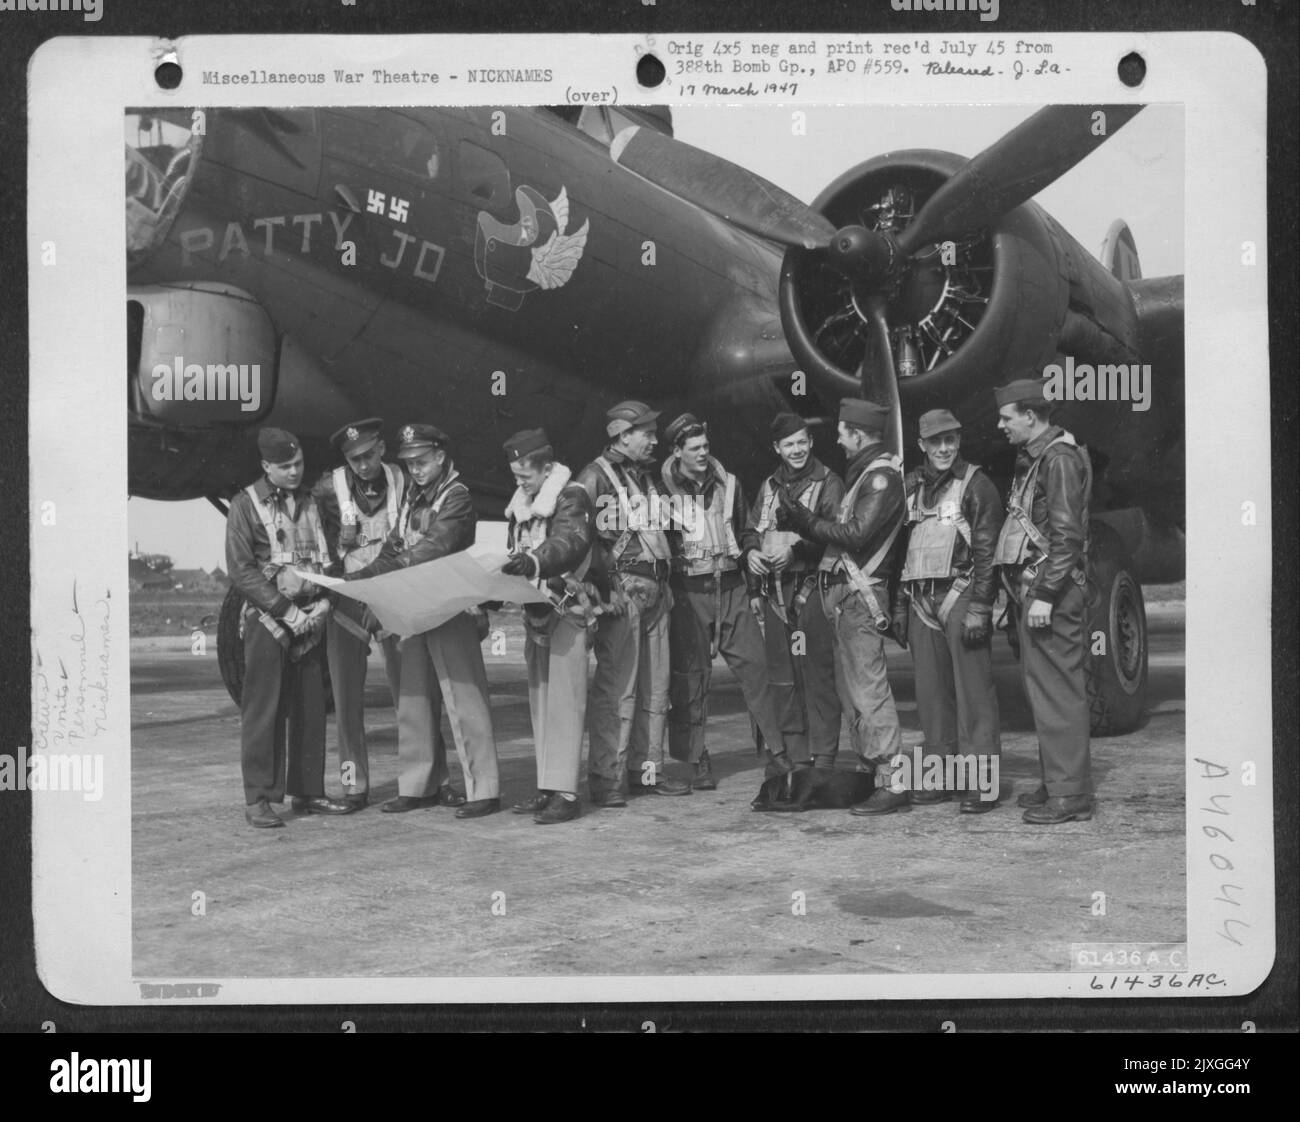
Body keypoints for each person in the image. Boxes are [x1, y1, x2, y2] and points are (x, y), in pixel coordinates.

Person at [347, 423, 501, 818]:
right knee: (412, 699)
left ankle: (483, 789)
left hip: (451, 608)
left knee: (464, 699)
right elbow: (394, 546)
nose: (414, 469)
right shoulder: (415, 499)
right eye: (409, 463)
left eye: (421, 461)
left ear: (440, 456)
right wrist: (356, 581)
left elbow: (433, 549)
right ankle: (419, 785)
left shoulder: (457, 497)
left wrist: (386, 574)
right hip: (416, 608)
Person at [775, 398, 906, 815]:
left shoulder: (881, 477)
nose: (837, 438)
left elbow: (857, 532)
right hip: (844, 597)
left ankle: (892, 780)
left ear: (858, 433)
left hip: (858, 597)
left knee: (869, 689)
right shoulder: (864, 475)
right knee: (853, 693)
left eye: (843, 431)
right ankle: (871, 771)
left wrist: (806, 523)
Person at [225, 427, 355, 828]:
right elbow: (242, 571)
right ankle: (259, 799)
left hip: (312, 617)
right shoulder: (245, 505)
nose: (295, 472)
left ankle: (308, 792)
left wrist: (322, 606)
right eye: (285, 467)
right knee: (263, 708)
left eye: (298, 464)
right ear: (267, 467)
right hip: (269, 620)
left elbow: (331, 560)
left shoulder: (314, 503)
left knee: (311, 707)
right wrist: (286, 609)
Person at [660, 413, 792, 790]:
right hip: (688, 592)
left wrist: (753, 590)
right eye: (695, 448)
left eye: (705, 446)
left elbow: (746, 532)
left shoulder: (729, 484)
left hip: (732, 587)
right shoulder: (661, 491)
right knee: (690, 679)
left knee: (757, 669)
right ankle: (696, 758)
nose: (703, 453)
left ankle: (776, 752)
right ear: (677, 451)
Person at [576, 401, 691, 805]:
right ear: (623, 435)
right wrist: (602, 590)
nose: (654, 440)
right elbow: (578, 538)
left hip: (657, 591)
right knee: (618, 690)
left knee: (654, 691)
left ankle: (644, 772)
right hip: (623, 592)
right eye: (647, 433)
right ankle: (607, 780)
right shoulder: (593, 477)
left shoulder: (643, 476)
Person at [992, 379, 1094, 825]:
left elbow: (1067, 536)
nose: (1000, 425)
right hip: (1036, 588)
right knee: (1043, 690)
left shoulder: (1058, 460)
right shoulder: (1038, 459)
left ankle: (1071, 795)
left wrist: (1046, 595)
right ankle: (1057, 781)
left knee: (1058, 691)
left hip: (1051, 590)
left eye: (1006, 417)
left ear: (1030, 417)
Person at [895, 409, 1003, 813]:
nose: (944, 448)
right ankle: (942, 776)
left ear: (959, 441)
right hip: (921, 600)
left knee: (974, 693)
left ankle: (983, 785)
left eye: (951, 440)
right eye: (935, 442)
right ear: (921, 445)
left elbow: (987, 551)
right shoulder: (911, 487)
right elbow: (897, 550)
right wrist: (899, 609)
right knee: (931, 696)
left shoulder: (977, 485)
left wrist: (980, 605)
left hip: (961, 593)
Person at [500, 427, 601, 824]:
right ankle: (547, 785)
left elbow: (570, 541)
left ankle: (567, 793)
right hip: (536, 611)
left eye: (524, 474)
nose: (519, 482)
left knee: (565, 703)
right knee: (541, 702)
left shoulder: (570, 495)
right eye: (516, 475)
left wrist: (535, 562)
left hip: (567, 609)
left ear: (546, 468)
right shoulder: (525, 501)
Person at [745, 411, 845, 776]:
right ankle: (797, 756)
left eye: (803, 441)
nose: (797, 449)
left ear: (811, 442)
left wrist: (797, 552)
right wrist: (751, 553)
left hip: (811, 588)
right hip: (775, 594)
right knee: (783, 675)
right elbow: (751, 529)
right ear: (777, 448)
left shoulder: (828, 483)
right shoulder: (769, 487)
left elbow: (833, 533)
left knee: (816, 672)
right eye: (790, 444)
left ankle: (826, 756)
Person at [311, 418, 404, 810]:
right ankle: (353, 786)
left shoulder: (404, 479)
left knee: (412, 694)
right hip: (348, 600)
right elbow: (312, 533)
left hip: (393, 594)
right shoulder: (325, 488)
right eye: (354, 459)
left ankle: (427, 781)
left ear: (381, 448)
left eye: (368, 455)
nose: (362, 465)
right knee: (347, 703)